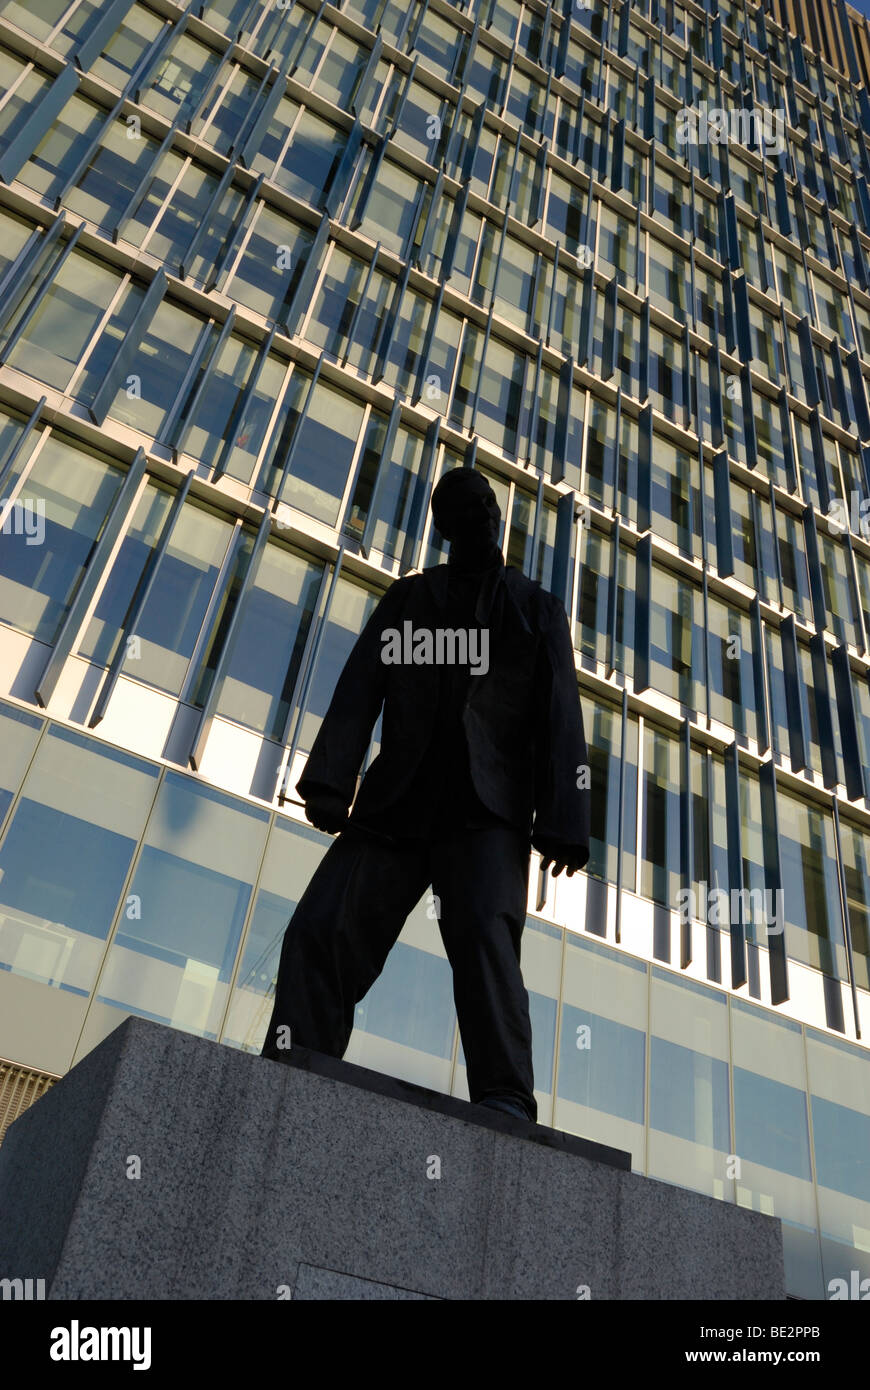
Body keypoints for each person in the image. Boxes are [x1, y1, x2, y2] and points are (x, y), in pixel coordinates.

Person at [261, 467, 590, 1122]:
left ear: (498, 517)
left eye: (487, 507)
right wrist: (331, 779)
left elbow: (561, 715)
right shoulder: (409, 600)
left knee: (484, 939)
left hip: (485, 811)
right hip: (398, 805)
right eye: (465, 510)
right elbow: (361, 688)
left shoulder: (535, 607)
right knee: (321, 929)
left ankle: (505, 1096)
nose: (482, 518)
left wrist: (565, 818)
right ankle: (293, 1063)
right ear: (445, 526)